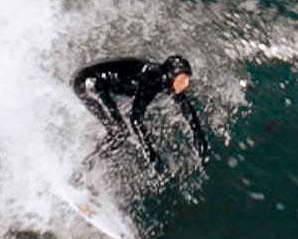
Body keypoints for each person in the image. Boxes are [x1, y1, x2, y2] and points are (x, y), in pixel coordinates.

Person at [71, 54, 211, 175]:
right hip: (88, 83)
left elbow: (185, 105)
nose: (186, 84)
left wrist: (198, 133)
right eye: (182, 79)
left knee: (119, 133)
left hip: (93, 82)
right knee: (119, 132)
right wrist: (151, 154)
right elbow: (135, 118)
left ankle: (83, 172)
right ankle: (80, 174)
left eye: (187, 79)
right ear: (171, 75)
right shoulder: (152, 78)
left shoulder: (164, 80)